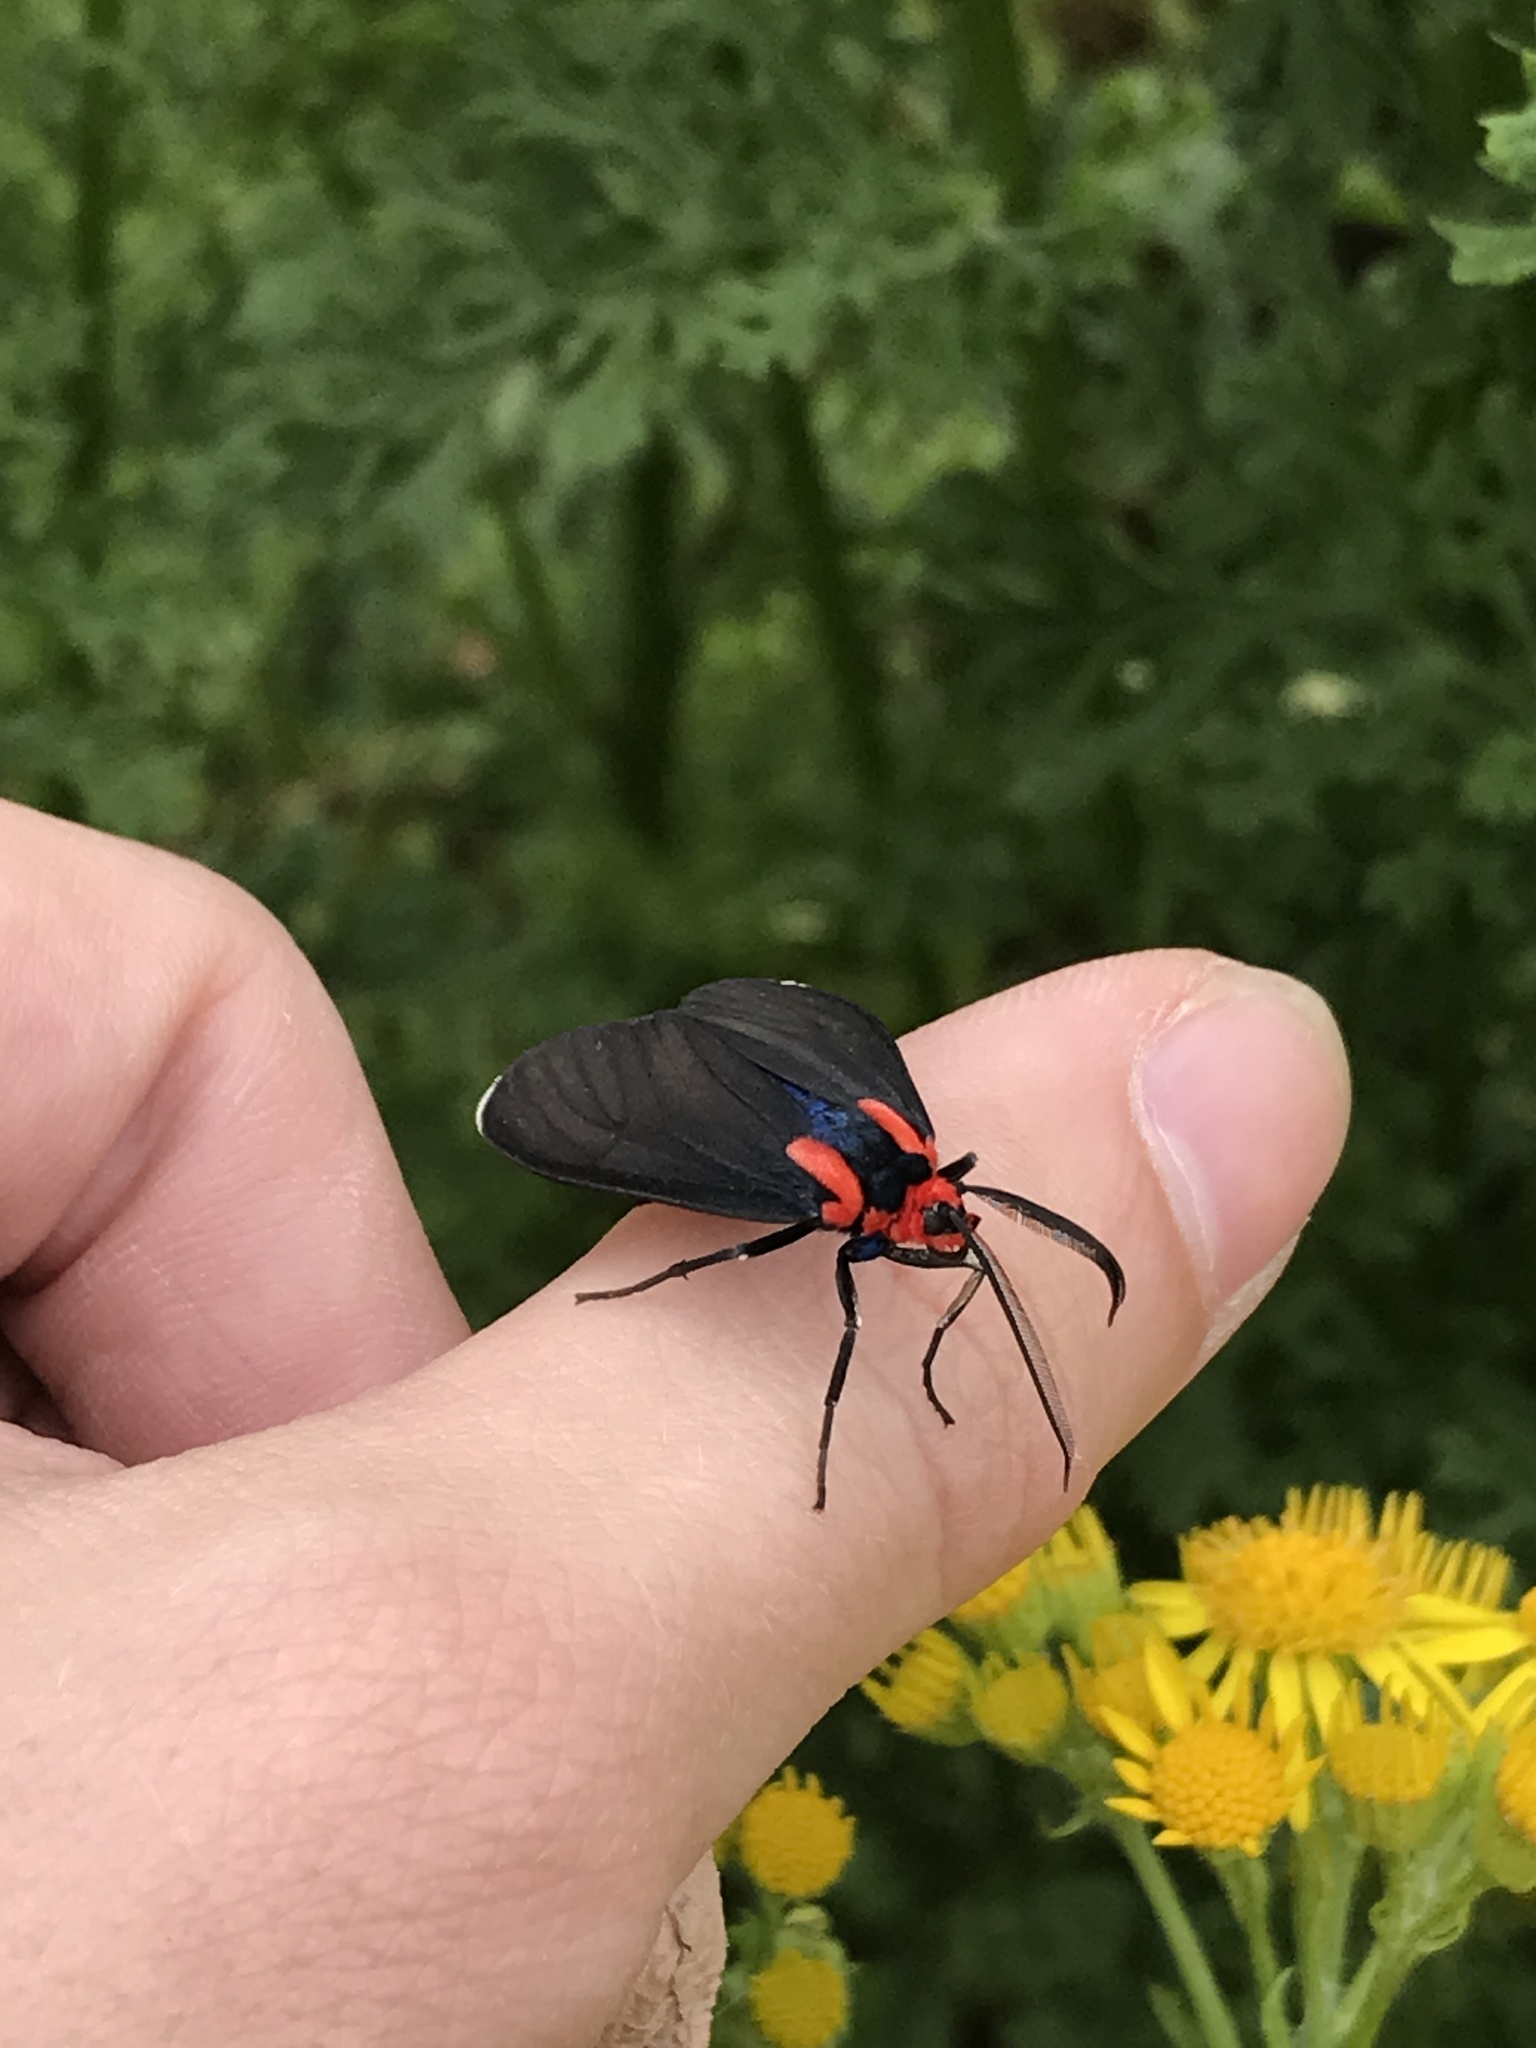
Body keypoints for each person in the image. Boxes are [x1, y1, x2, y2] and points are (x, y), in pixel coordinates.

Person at [0, 795, 1350, 2045]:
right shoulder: (850, 1207)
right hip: (779, 1122)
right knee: (779, 1277)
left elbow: (889, 1184)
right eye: (936, 1231)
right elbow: (811, 1230)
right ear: (917, 1197)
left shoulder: (907, 1183)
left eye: (945, 1226)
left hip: (790, 1082)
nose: (943, 1241)